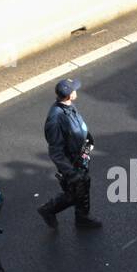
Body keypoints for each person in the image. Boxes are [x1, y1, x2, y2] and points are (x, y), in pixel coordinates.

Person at [37, 78, 103, 229]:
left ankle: (82, 217)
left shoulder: (69, 106)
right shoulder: (55, 118)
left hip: (80, 156)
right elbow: (56, 151)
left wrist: (88, 139)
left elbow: (78, 125)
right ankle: (48, 209)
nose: (76, 91)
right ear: (69, 95)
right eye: (74, 89)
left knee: (84, 184)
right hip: (70, 163)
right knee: (74, 191)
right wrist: (70, 172)